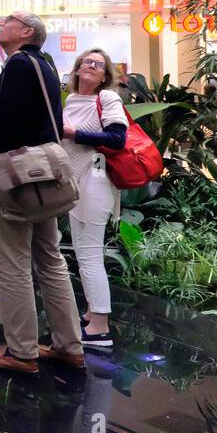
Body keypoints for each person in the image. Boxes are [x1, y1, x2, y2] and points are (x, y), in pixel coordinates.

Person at [0, 11, 84, 375]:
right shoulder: (45, 66)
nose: (0, 25)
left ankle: (22, 351)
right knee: (50, 258)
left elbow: (8, 123)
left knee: (13, 263)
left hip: (17, 179)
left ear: (26, 32)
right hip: (44, 178)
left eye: (7, 21)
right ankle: (69, 346)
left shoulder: (19, 66)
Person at [62, 49, 127, 351]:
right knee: (82, 252)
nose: (91, 66)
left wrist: (75, 133)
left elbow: (117, 138)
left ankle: (100, 327)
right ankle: (91, 315)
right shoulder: (72, 101)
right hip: (77, 185)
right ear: (77, 70)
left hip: (95, 183)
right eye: (87, 62)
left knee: (89, 256)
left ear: (105, 75)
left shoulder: (108, 99)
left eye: (98, 64)